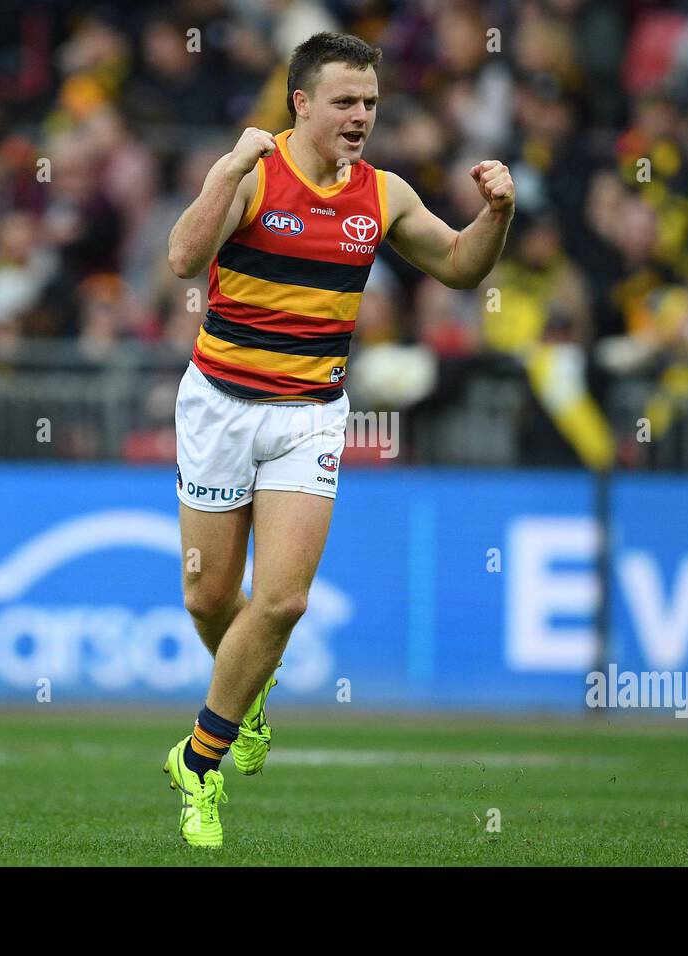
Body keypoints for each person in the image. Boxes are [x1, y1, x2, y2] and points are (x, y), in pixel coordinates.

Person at [162, 31, 515, 847]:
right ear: (301, 105)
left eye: (370, 104)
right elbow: (182, 258)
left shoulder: (382, 195)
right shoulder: (255, 175)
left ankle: (199, 760)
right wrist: (226, 167)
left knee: (282, 600)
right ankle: (246, 696)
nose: (361, 117)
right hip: (218, 404)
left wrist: (496, 214)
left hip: (310, 414)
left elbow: (462, 267)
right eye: (345, 102)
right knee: (209, 599)